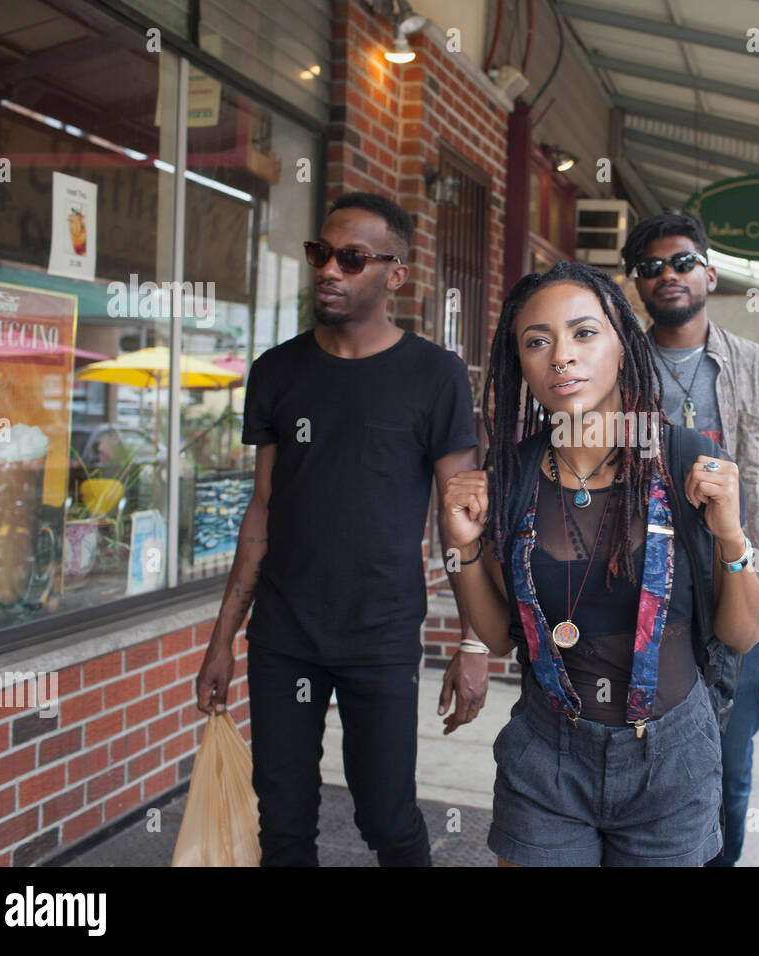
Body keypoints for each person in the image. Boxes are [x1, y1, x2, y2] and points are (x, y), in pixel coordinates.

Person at [442, 260, 759, 867]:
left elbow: (744, 632)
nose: (561, 356)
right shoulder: (509, 478)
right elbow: (494, 635)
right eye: (537, 341)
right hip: (547, 755)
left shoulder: (686, 461)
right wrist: (461, 546)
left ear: (624, 343)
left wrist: (730, 535)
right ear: (522, 366)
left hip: (670, 759)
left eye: (583, 333)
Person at [194, 192, 482, 866]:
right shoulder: (277, 371)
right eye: (320, 253)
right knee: (284, 823)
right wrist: (221, 638)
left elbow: (459, 519)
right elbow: (262, 509)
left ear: (395, 275)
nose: (329, 269)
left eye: (351, 258)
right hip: (283, 634)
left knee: (386, 817)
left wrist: (472, 642)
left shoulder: (434, 375)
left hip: (379, 633)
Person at [621, 210, 759, 866]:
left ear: (710, 272)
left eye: (681, 262)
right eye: (650, 267)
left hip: (734, 594)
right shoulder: (611, 371)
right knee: (634, 775)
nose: (667, 275)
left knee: (729, 781)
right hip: (634, 599)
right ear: (636, 285)